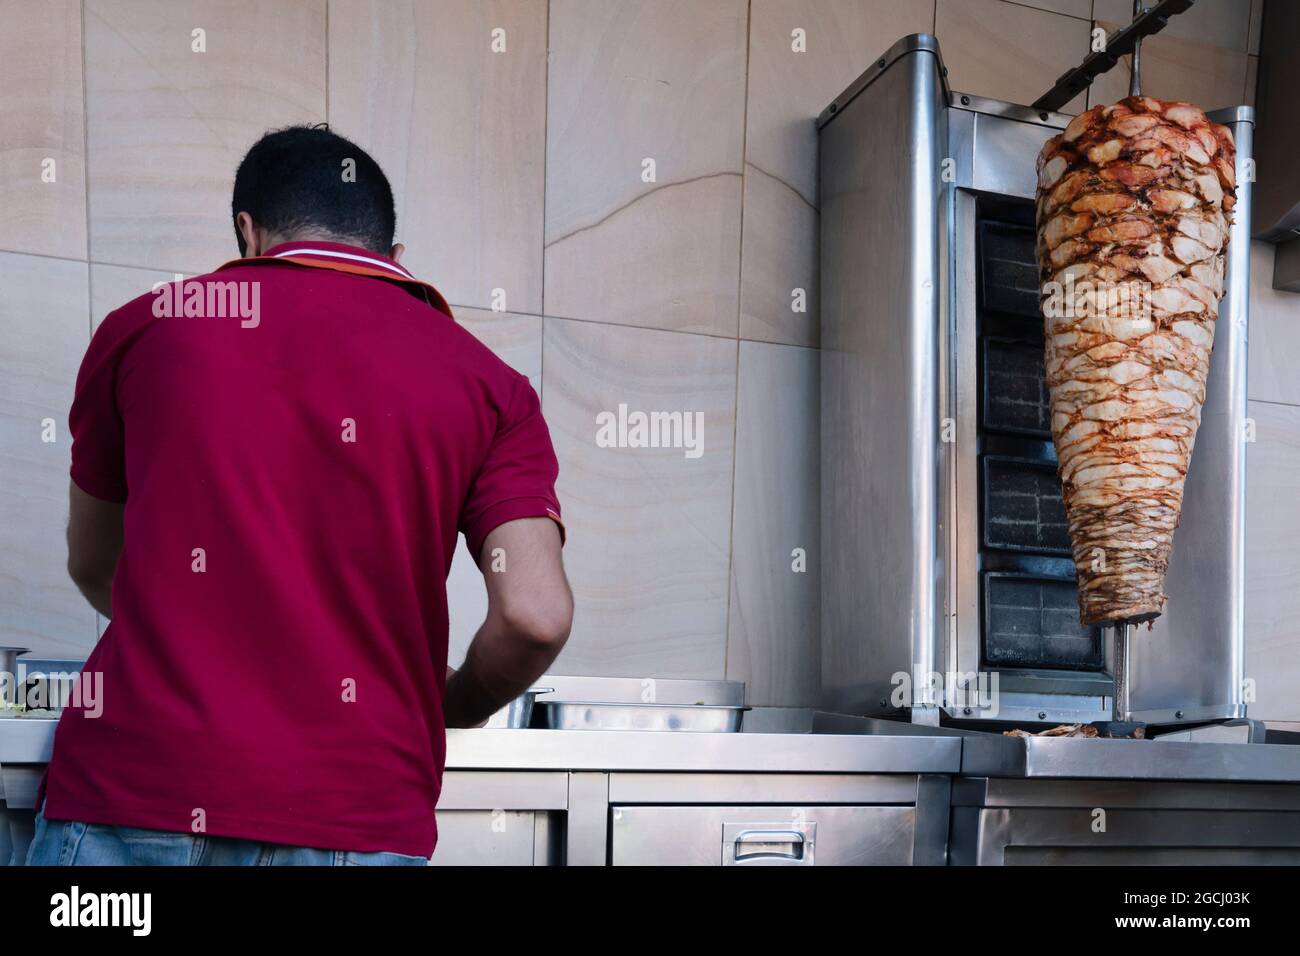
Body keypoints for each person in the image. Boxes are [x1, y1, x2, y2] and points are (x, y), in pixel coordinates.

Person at [26, 125, 572, 866]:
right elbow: (535, 616)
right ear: (393, 257)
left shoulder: (146, 328)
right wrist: (453, 706)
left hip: (134, 796)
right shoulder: (491, 388)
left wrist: (204, 635)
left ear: (248, 233)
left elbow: (97, 565)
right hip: (356, 813)